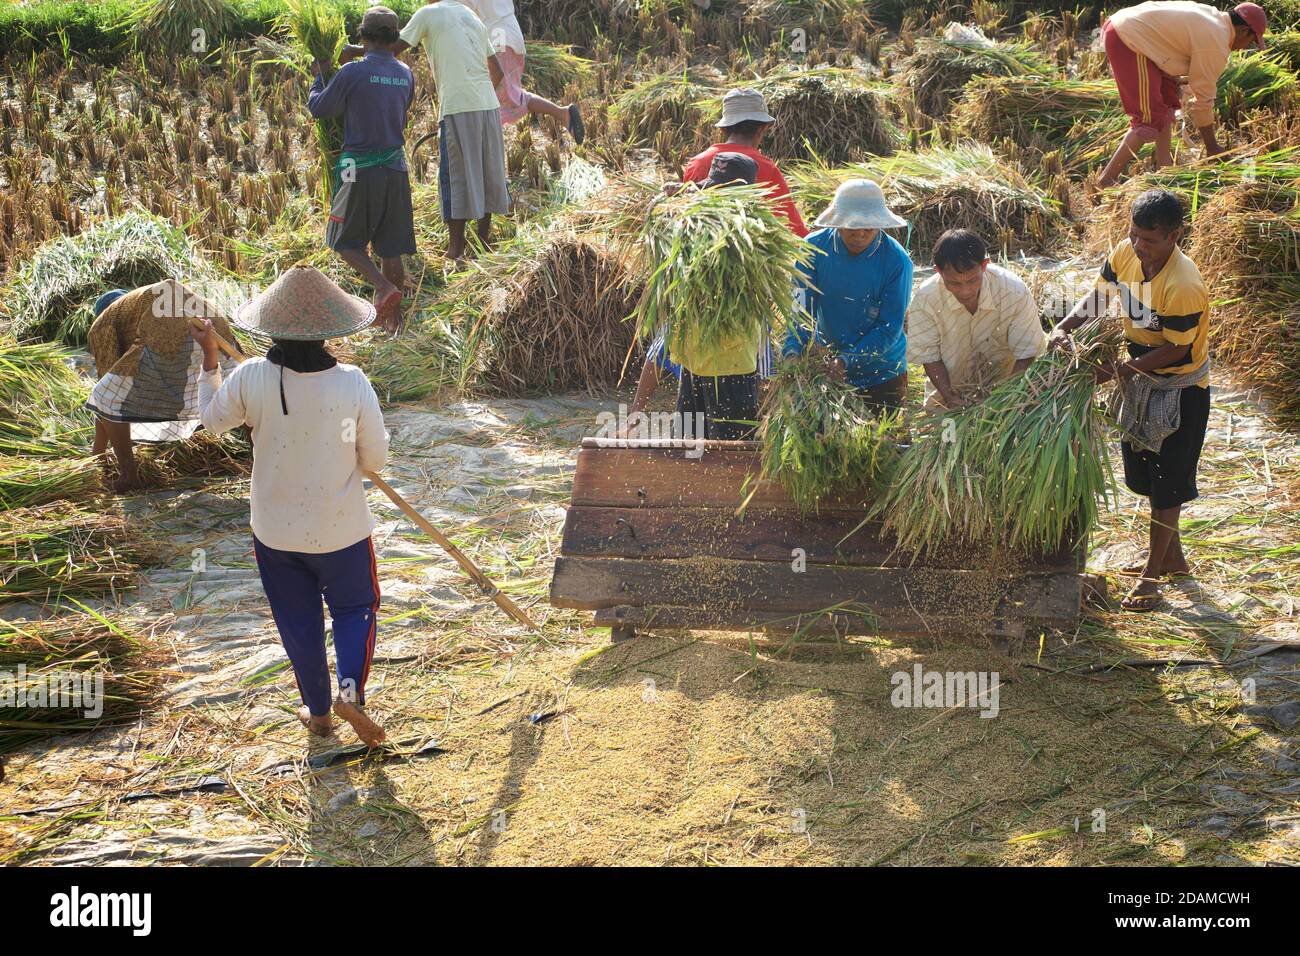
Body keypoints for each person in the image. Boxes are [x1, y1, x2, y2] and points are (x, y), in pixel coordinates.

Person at [192, 265, 391, 746]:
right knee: (355, 607)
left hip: (276, 533)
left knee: (297, 619)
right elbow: (377, 458)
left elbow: (213, 423)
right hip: (341, 528)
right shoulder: (353, 382)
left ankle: (319, 716)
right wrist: (346, 458)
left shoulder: (251, 378)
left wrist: (210, 361)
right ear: (330, 332)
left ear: (272, 329)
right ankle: (349, 692)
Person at [1049, 189, 1210, 613]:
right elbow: (1101, 297)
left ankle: (1152, 576)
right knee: (1144, 478)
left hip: (1178, 389)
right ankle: (1173, 558)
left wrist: (1116, 373)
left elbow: (1176, 350)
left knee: (1168, 484)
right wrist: (1065, 327)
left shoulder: (1184, 284)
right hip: (1139, 377)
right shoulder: (1125, 253)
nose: (1139, 246)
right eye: (1135, 235)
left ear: (1173, 236)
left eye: (1150, 240)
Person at [627, 153, 774, 426]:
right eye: (710, 193)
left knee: (728, 457)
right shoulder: (693, 232)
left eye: (720, 195)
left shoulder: (753, 234)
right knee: (689, 449)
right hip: (692, 366)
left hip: (734, 371)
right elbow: (652, 228)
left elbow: (762, 331)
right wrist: (670, 202)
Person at [310, 6, 416, 334]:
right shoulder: (404, 73)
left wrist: (319, 76)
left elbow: (320, 108)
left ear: (363, 37)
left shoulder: (353, 72)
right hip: (396, 168)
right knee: (390, 246)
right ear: (394, 37)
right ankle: (391, 320)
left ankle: (383, 288)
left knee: (343, 241)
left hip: (356, 168)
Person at [87, 282, 239, 492]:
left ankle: (129, 476)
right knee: (245, 389)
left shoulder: (103, 323)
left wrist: (97, 458)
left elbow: (107, 400)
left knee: (104, 397)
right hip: (214, 325)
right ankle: (260, 455)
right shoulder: (139, 306)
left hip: (166, 331)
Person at [1097, 1, 1268, 187]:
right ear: (1244, 30)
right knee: (1148, 119)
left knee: (1168, 101)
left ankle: (1166, 171)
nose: (1245, 47)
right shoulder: (1216, 41)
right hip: (1130, 38)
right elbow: (1203, 99)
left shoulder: (1215, 18)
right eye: (1251, 41)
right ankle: (1105, 182)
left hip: (1139, 35)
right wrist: (1212, 147)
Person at [391, 2, 512, 263]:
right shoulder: (471, 16)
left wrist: (356, 51)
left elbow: (390, 51)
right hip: (488, 106)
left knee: (454, 177)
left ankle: (455, 251)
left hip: (458, 107)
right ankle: (483, 243)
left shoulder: (427, 14)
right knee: (485, 174)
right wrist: (475, 91)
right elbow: (498, 73)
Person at [783, 179, 914, 410]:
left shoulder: (896, 262)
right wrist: (793, 350)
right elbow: (801, 310)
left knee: (887, 442)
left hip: (882, 372)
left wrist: (847, 360)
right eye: (852, 227)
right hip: (828, 367)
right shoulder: (813, 250)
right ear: (838, 222)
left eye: (869, 228)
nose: (860, 235)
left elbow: (889, 327)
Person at [906, 229, 1047, 411]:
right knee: (945, 435)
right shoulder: (926, 298)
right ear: (939, 271)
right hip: (947, 394)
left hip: (1009, 390)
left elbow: (1027, 352)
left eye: (972, 280)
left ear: (984, 265)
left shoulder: (1013, 291)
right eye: (954, 283)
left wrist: (1004, 399)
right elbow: (929, 356)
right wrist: (949, 396)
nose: (965, 291)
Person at [681, 88, 808, 237]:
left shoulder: (697, 163)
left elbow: (684, 212)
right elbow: (792, 227)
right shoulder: (766, 168)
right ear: (762, 128)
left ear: (722, 129)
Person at [458, 0, 585, 141]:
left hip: (497, 38)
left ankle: (483, 149)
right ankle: (562, 114)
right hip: (509, 34)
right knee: (510, 96)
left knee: (493, 100)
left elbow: (461, 14)